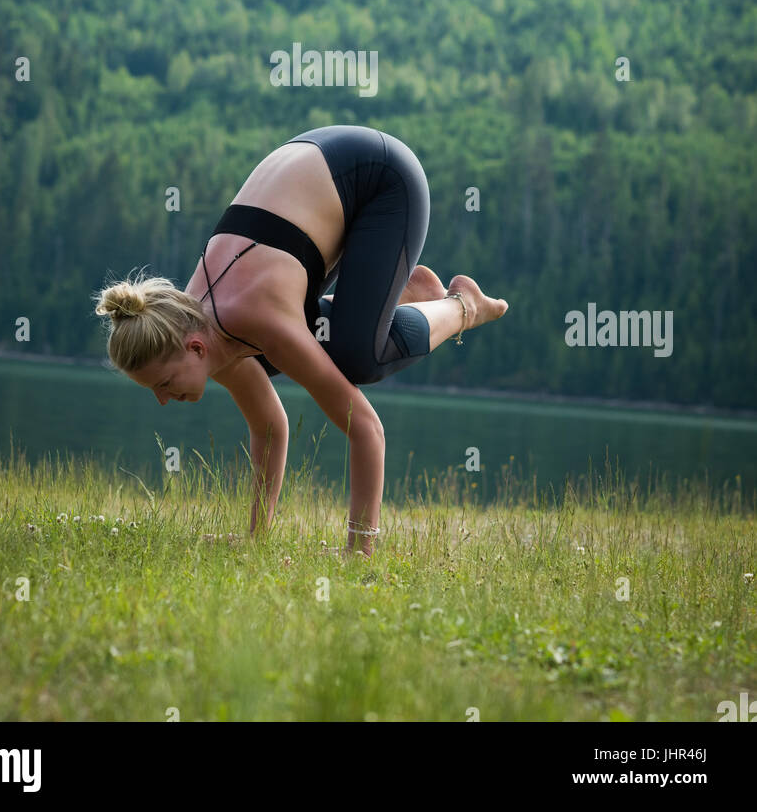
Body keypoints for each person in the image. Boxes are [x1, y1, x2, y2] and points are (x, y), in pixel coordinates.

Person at [94, 125, 507, 557]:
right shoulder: (201, 329)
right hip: (313, 173)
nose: (163, 399)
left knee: (359, 359)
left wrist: (357, 551)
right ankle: (402, 296)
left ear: (193, 348)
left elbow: (366, 428)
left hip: (381, 177)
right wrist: (256, 538)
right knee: (277, 355)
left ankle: (464, 305)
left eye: (163, 383)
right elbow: (270, 427)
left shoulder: (259, 321)